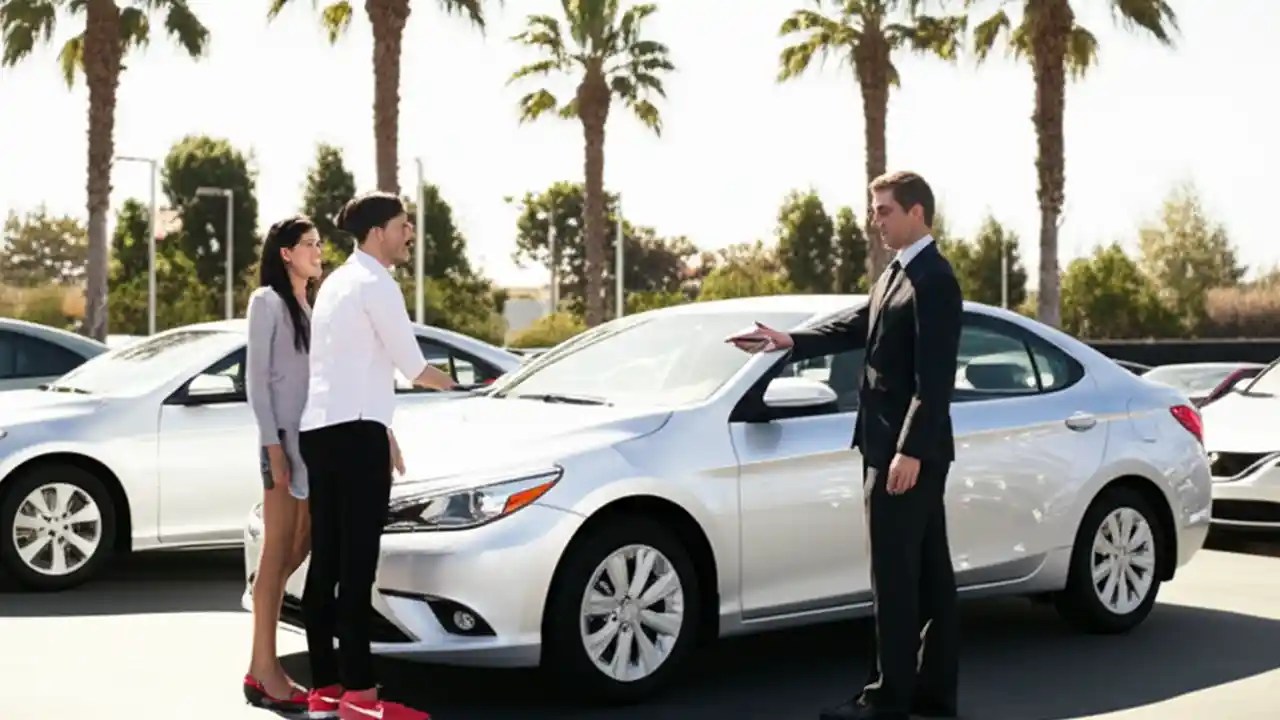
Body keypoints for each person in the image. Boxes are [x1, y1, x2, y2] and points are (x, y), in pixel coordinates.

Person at [729, 171, 963, 720]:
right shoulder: (896, 275)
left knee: (896, 578)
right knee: (928, 576)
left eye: (884, 210)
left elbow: (935, 380)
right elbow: (861, 324)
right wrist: (792, 341)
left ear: (917, 213)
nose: (875, 220)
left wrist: (908, 452)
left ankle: (887, 700)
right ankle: (932, 694)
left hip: (903, 454)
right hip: (895, 447)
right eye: (874, 210)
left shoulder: (934, 279)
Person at [299, 191, 457, 720]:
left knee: (327, 562)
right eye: (402, 224)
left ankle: (325, 690)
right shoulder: (377, 284)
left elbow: (344, 369)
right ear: (377, 233)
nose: (409, 233)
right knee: (357, 565)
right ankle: (362, 698)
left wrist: (380, 425)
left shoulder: (336, 283)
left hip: (321, 432)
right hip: (355, 438)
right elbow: (414, 367)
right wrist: (470, 388)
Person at [242, 216, 323, 713]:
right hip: (281, 447)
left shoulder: (308, 306)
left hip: (311, 446)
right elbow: (256, 383)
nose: (318, 252)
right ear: (286, 254)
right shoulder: (266, 302)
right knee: (276, 551)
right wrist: (274, 448)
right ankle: (265, 670)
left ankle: (260, 662)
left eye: (319, 245)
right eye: (310, 245)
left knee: (300, 544)